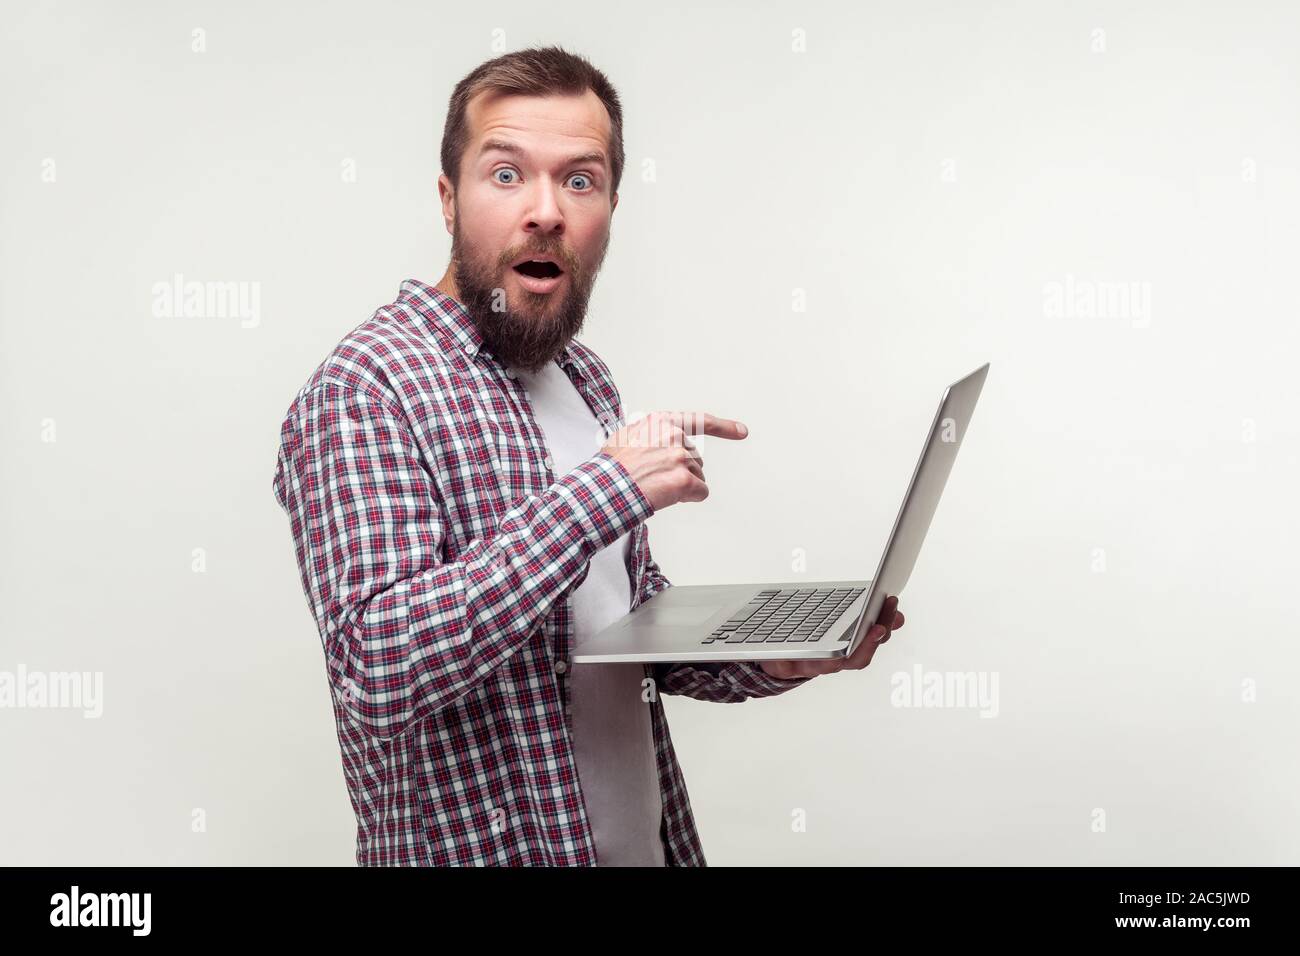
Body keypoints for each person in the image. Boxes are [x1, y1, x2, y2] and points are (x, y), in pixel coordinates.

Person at [272, 45, 904, 867]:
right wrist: (602, 493)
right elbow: (376, 670)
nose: (546, 211)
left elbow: (618, 630)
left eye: (580, 179)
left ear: (609, 203)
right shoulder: (365, 388)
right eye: (506, 175)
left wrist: (777, 654)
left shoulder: (583, 376)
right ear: (447, 200)